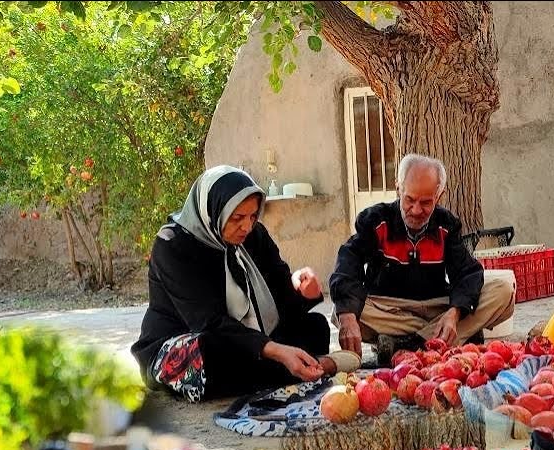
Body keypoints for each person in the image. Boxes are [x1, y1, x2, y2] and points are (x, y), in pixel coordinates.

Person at [132, 165, 359, 402]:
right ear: (213, 210)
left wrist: (302, 290)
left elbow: (281, 299)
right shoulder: (173, 244)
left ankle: (288, 368)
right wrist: (276, 350)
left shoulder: (254, 236)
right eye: (237, 218)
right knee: (211, 353)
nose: (247, 227)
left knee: (314, 327)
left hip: (248, 340)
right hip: (190, 341)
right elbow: (208, 321)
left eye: (252, 216)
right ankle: (317, 366)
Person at [329, 153, 515, 366]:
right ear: (398, 188)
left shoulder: (447, 225)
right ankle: (442, 340)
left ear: (439, 195)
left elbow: (467, 273)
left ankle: (406, 345)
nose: (416, 210)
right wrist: (348, 316)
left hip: (435, 308)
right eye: (410, 200)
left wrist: (454, 313)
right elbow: (348, 261)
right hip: (389, 311)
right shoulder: (376, 220)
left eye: (426, 202)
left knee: (503, 292)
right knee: (341, 310)